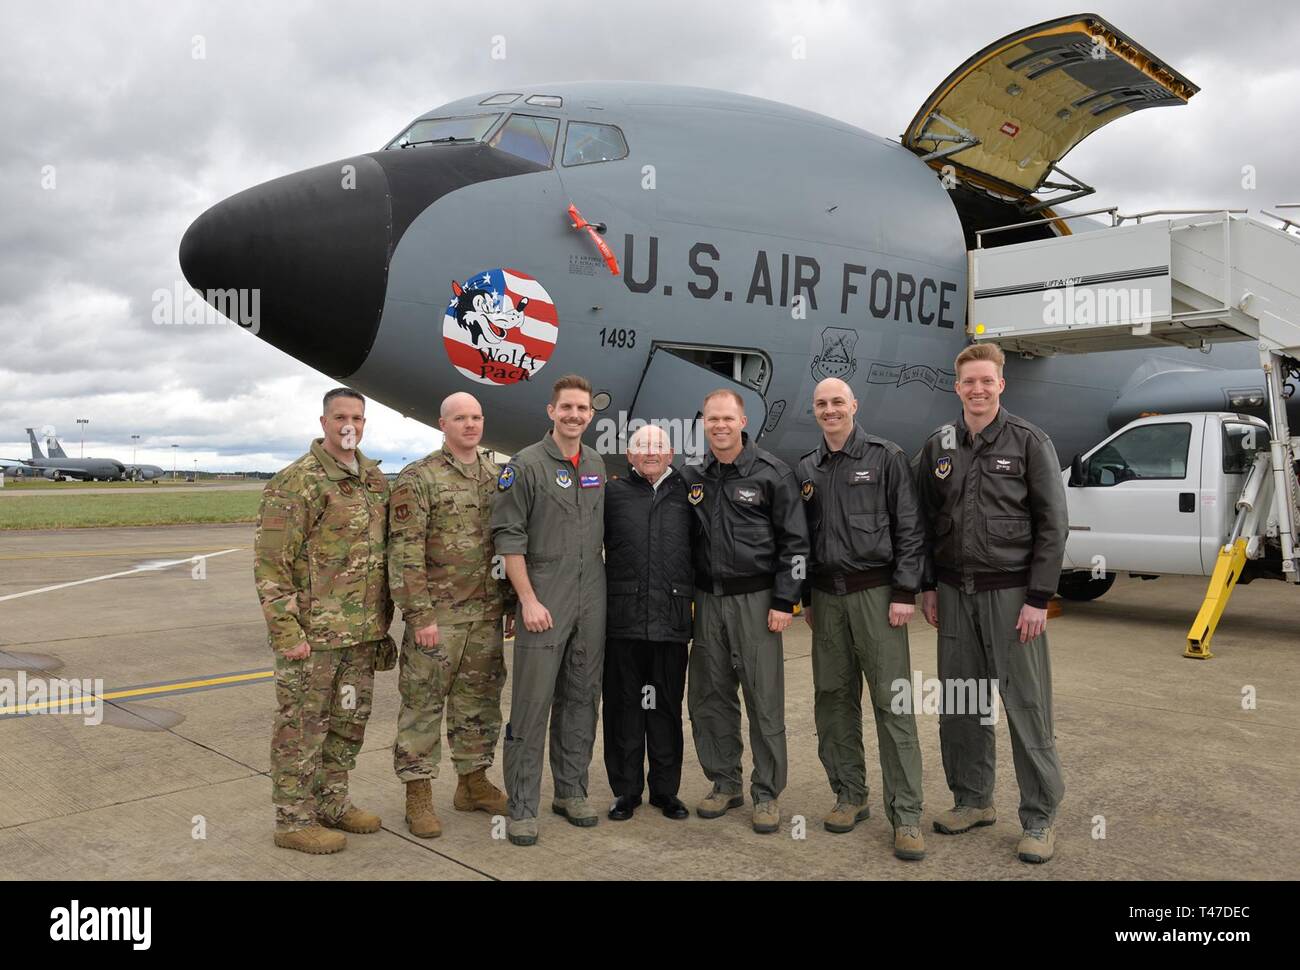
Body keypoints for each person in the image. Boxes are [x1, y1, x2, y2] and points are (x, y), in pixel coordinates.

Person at [915, 342, 1068, 864]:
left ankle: (1040, 817)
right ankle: (972, 800)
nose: (977, 390)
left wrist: (1038, 598)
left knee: (1026, 705)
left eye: (986, 381)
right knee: (962, 704)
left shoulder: (1029, 442)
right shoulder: (938, 446)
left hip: (1011, 597)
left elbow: (1053, 526)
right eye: (968, 382)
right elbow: (921, 520)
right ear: (955, 387)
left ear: (1001, 384)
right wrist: (928, 586)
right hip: (955, 594)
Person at [254, 387, 394, 855]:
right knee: (301, 728)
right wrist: (287, 634)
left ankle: (332, 802)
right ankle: (293, 819)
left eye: (356, 416)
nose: (348, 425)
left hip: (362, 634)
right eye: (339, 417)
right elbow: (271, 566)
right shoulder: (296, 483)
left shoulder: (374, 479)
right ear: (323, 423)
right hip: (313, 639)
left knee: (348, 725)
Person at [798, 377, 927, 860]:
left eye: (837, 402)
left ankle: (907, 815)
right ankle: (849, 795)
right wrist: (806, 598)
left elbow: (910, 528)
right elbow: (803, 540)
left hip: (877, 596)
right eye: (821, 404)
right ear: (814, 411)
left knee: (892, 705)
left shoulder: (885, 456)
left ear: (853, 405)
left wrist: (904, 591)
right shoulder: (807, 467)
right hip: (826, 600)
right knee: (832, 700)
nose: (830, 410)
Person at [679, 389, 809, 834]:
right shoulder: (694, 475)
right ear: (703, 423)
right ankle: (724, 781)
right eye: (712, 418)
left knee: (763, 698)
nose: (719, 426)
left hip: (757, 602)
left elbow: (795, 543)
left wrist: (783, 600)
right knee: (710, 698)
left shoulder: (772, 473)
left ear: (743, 420)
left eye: (727, 418)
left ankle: (768, 792)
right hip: (708, 601)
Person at [388, 391, 513, 839]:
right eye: (460, 418)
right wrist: (419, 616)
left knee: (479, 704)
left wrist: (512, 604)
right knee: (423, 705)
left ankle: (473, 783)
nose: (470, 424)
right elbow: (404, 553)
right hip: (437, 618)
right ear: (442, 424)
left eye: (477, 417)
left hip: (486, 615)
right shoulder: (418, 478)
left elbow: (510, 541)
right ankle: (418, 794)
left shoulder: (498, 476)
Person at [490, 374, 607, 846]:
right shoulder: (526, 465)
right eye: (567, 408)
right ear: (551, 411)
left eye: (582, 409)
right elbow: (508, 538)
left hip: (590, 598)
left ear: (591, 415)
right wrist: (528, 600)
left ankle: (571, 790)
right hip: (544, 598)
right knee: (532, 705)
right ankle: (521, 805)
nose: (574, 415)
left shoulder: (596, 462)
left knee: (582, 698)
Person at [601, 423, 693, 821]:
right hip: (623, 622)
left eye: (658, 446)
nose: (650, 453)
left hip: (670, 622)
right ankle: (625, 792)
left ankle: (665, 791)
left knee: (666, 709)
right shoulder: (612, 495)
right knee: (623, 708)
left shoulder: (689, 494)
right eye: (642, 447)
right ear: (629, 455)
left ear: (670, 454)